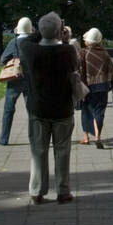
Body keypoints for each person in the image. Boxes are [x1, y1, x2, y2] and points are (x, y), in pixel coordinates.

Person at [18, 11, 79, 204]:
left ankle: (37, 190)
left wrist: (44, 29)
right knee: (62, 151)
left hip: (38, 108)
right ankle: (63, 190)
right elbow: (75, 66)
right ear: (60, 31)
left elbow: (26, 40)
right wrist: (62, 36)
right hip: (63, 108)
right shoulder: (68, 51)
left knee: (38, 151)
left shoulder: (31, 51)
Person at [0, 17, 33, 146]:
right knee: (32, 111)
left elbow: (3, 59)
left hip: (15, 79)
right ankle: (34, 139)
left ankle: (4, 138)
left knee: (9, 109)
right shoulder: (34, 43)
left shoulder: (14, 42)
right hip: (31, 80)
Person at [80, 28, 113, 149]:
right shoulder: (104, 53)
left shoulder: (83, 53)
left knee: (86, 111)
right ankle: (97, 137)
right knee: (99, 112)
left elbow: (79, 69)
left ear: (88, 41)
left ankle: (86, 137)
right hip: (102, 87)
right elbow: (112, 69)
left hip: (87, 87)